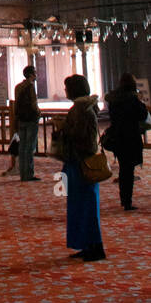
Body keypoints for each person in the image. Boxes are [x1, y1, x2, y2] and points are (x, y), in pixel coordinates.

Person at [58, 73, 105, 262]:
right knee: (83, 207)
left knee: (84, 207)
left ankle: (94, 246)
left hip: (80, 163)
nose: (65, 91)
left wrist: (63, 132)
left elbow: (79, 137)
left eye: (67, 87)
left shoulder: (80, 109)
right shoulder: (85, 107)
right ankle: (88, 245)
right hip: (81, 162)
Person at [106, 73, 147, 211]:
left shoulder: (114, 98)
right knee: (128, 170)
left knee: (124, 169)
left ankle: (124, 199)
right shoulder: (132, 98)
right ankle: (127, 201)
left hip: (117, 136)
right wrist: (140, 101)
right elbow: (142, 115)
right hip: (130, 137)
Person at [14, 65, 41, 182]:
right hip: (31, 119)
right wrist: (39, 113)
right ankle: (29, 174)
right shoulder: (30, 86)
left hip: (21, 119)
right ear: (31, 74)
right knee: (30, 147)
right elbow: (34, 104)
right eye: (35, 72)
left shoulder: (18, 87)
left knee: (22, 147)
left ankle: (22, 174)